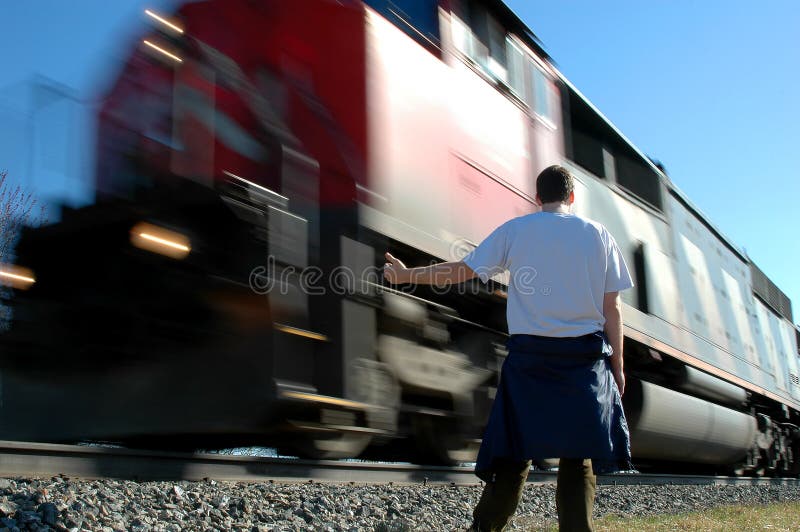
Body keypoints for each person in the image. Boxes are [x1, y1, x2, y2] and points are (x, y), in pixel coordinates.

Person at [383, 165, 634, 531]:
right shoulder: (598, 235)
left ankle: (484, 528)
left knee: (514, 452)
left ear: (537, 198)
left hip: (530, 361)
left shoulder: (517, 230)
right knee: (578, 458)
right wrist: (619, 366)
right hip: (583, 361)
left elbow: (462, 270)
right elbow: (612, 307)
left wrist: (407, 275)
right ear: (572, 197)